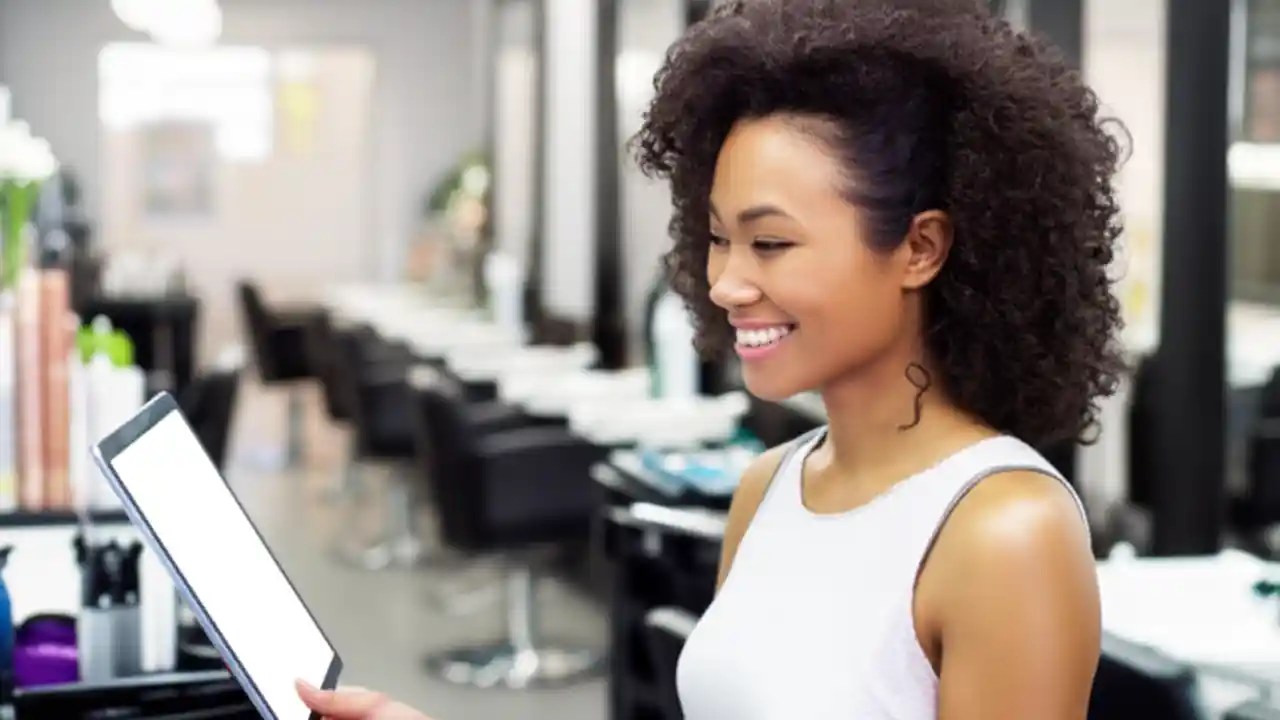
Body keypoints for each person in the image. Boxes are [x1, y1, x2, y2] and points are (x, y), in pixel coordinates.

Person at [298, 0, 1125, 718]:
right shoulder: (769, 489)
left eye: (770, 242)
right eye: (720, 240)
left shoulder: (1005, 532)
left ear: (920, 248)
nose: (727, 283)